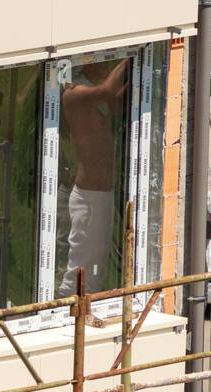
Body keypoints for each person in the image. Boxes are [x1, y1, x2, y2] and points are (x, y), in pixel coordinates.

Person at [58, 60, 129, 297]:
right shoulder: (73, 94)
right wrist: (129, 58)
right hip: (89, 196)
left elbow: (116, 104)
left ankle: (84, 304)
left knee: (97, 256)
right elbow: (107, 91)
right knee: (83, 261)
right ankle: (69, 306)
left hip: (100, 193)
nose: (105, 66)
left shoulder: (89, 92)